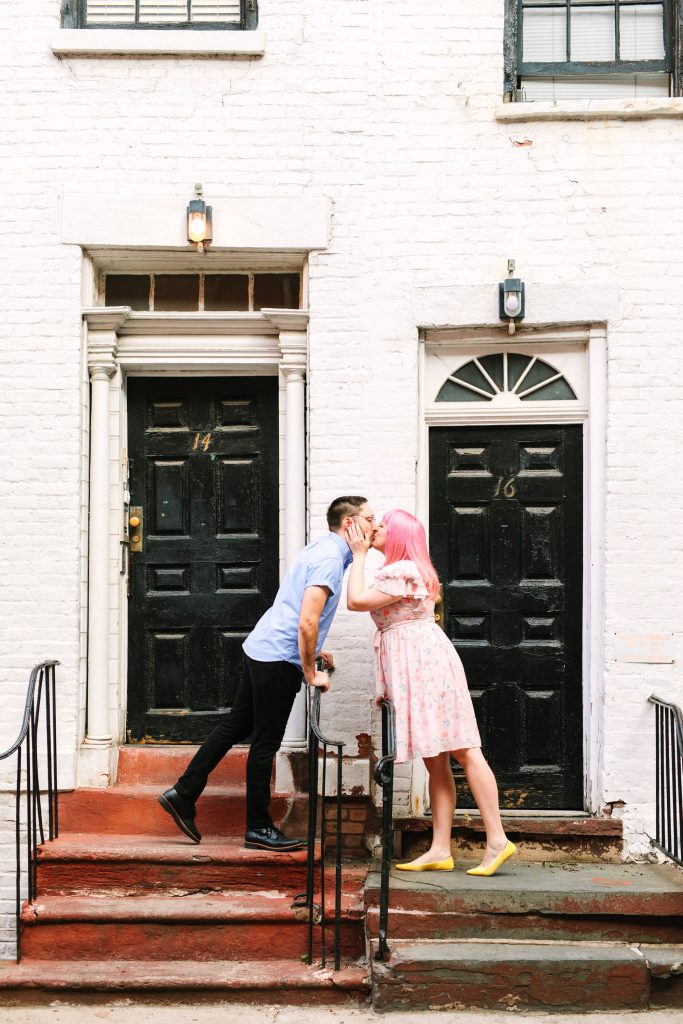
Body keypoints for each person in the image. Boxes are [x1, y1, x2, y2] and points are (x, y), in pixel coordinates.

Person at [159, 495, 376, 852]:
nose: (375, 525)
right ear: (350, 524)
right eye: (370, 518)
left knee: (237, 725)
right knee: (265, 743)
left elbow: (297, 610)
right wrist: (310, 672)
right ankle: (258, 827)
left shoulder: (321, 549)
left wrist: (315, 646)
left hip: (262, 648)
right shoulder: (330, 561)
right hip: (278, 660)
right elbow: (306, 619)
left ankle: (183, 792)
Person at [345, 509, 516, 876]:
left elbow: (356, 601)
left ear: (400, 536)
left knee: (465, 751)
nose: (375, 527)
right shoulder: (403, 570)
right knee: (435, 760)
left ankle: (498, 839)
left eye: (382, 524)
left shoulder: (402, 570)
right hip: (419, 666)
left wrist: (358, 555)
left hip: (426, 669)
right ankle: (440, 849)